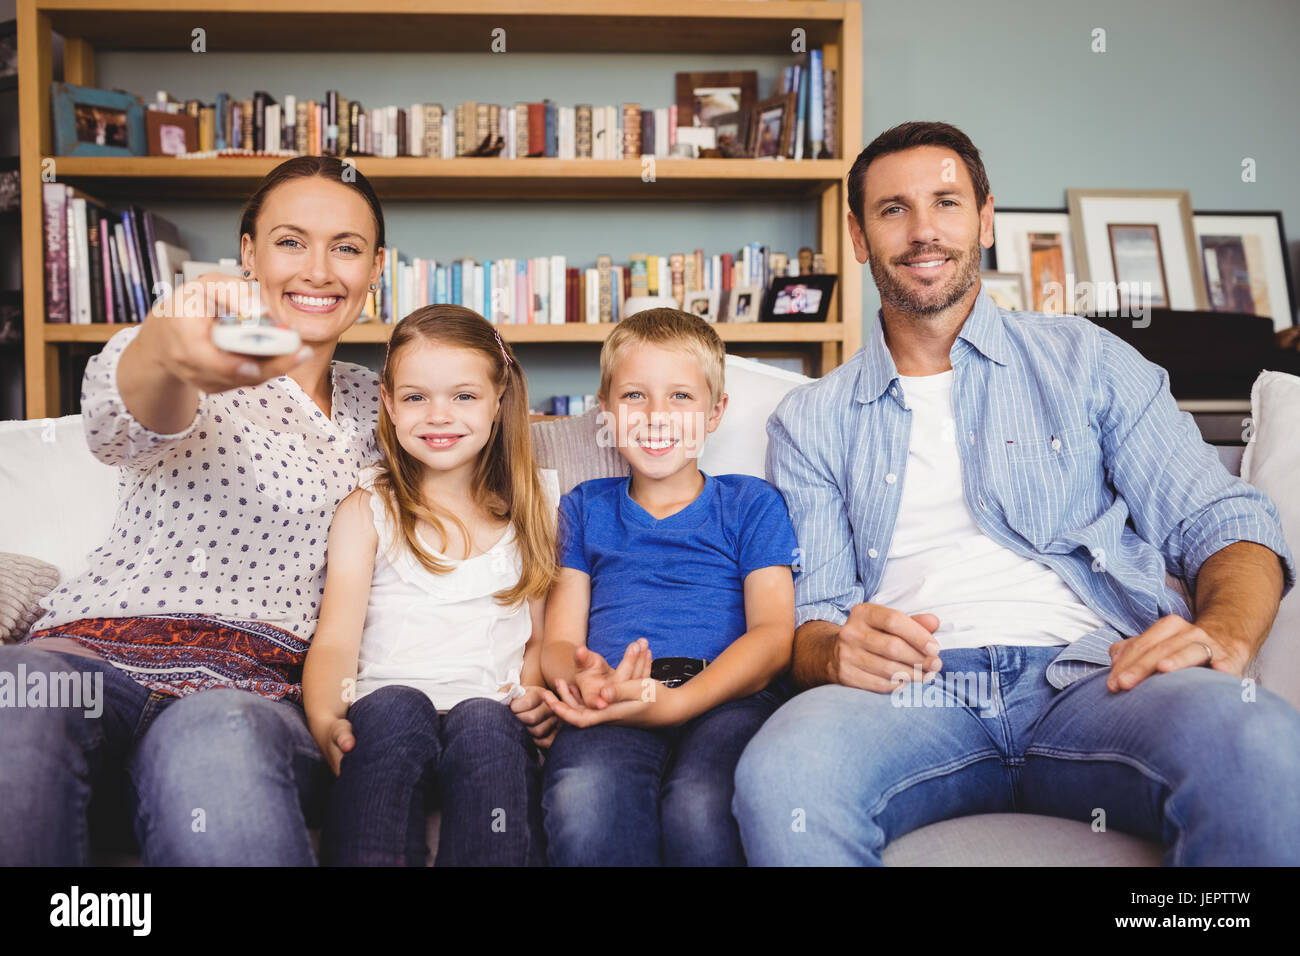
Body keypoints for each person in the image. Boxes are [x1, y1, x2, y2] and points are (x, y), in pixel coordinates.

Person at [732, 121, 1300, 866]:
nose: (924, 231)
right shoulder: (810, 420)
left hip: (1100, 675)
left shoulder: (1085, 359)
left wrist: (1226, 632)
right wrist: (834, 650)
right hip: (911, 697)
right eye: (894, 209)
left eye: (946, 202)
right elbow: (813, 621)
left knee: (1256, 737)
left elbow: (1221, 519)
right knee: (783, 777)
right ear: (859, 235)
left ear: (986, 218)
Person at [0, 155, 386, 865]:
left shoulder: (390, 404)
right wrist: (163, 346)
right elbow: (120, 418)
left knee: (213, 732)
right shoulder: (197, 356)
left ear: (376, 268)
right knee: (18, 686)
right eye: (291, 241)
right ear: (248, 253)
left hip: (254, 687)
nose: (319, 270)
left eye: (347, 248)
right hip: (93, 652)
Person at [538, 308, 798, 866]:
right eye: (634, 396)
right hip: (617, 701)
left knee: (701, 805)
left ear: (715, 413)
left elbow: (774, 636)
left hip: (729, 697)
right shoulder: (583, 507)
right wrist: (586, 680)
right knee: (585, 795)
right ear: (604, 410)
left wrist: (678, 703)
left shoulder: (751, 503)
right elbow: (557, 643)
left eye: (681, 397)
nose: (657, 417)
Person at [304, 305, 559, 866]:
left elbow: (537, 639)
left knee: (485, 722)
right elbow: (335, 641)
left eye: (464, 396)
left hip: (491, 711)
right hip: (385, 709)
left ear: (499, 401)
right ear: (389, 406)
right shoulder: (368, 509)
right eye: (417, 397)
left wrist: (536, 694)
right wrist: (326, 720)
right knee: (396, 706)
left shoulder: (533, 510)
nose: (439, 415)